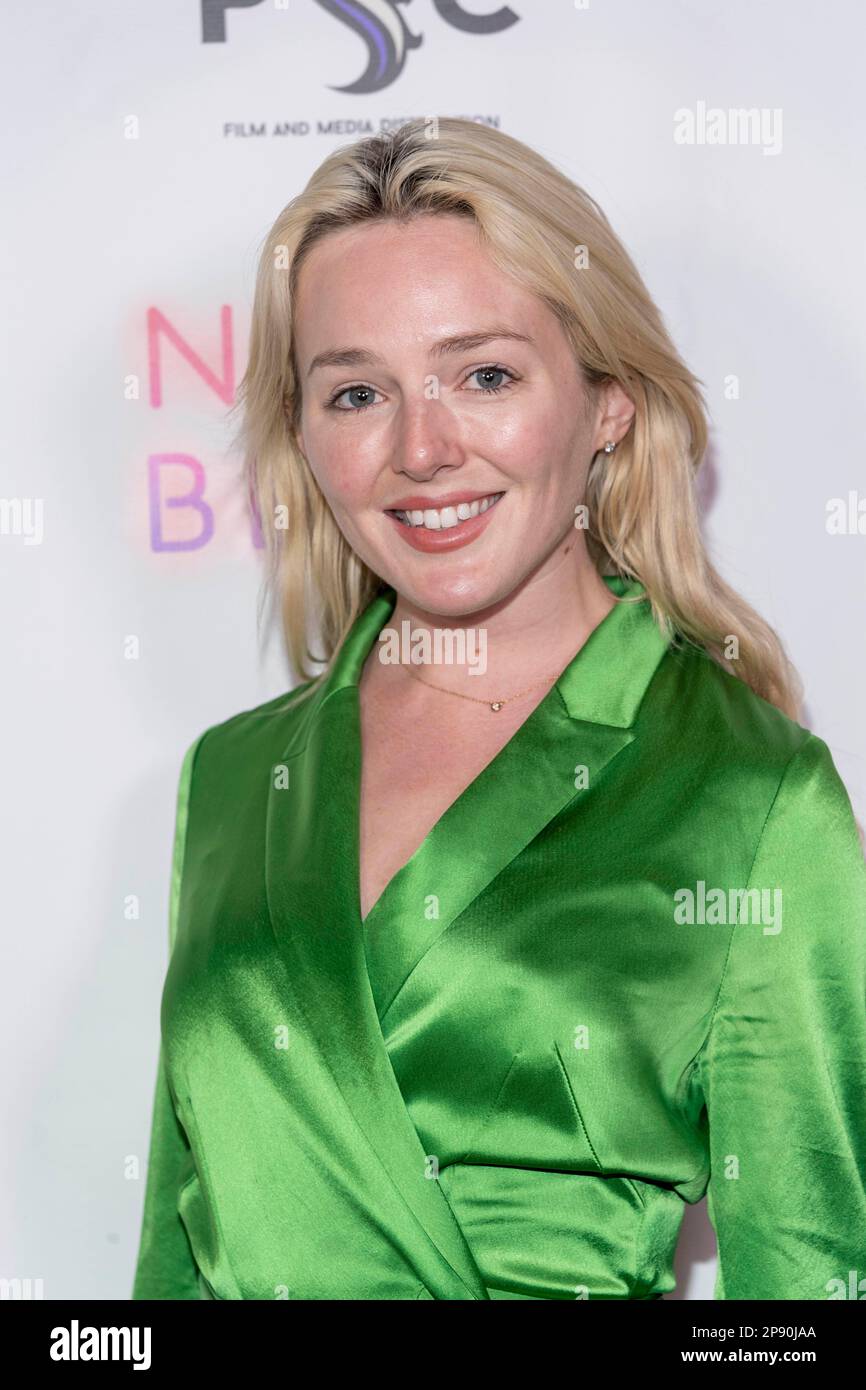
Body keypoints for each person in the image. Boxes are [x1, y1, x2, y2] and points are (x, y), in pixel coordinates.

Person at [132, 117, 866, 1301]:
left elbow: (819, 1290)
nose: (421, 448)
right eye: (358, 390)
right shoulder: (234, 777)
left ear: (607, 402)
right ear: (304, 436)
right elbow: (171, 1266)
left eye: (483, 374)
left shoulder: (750, 798)